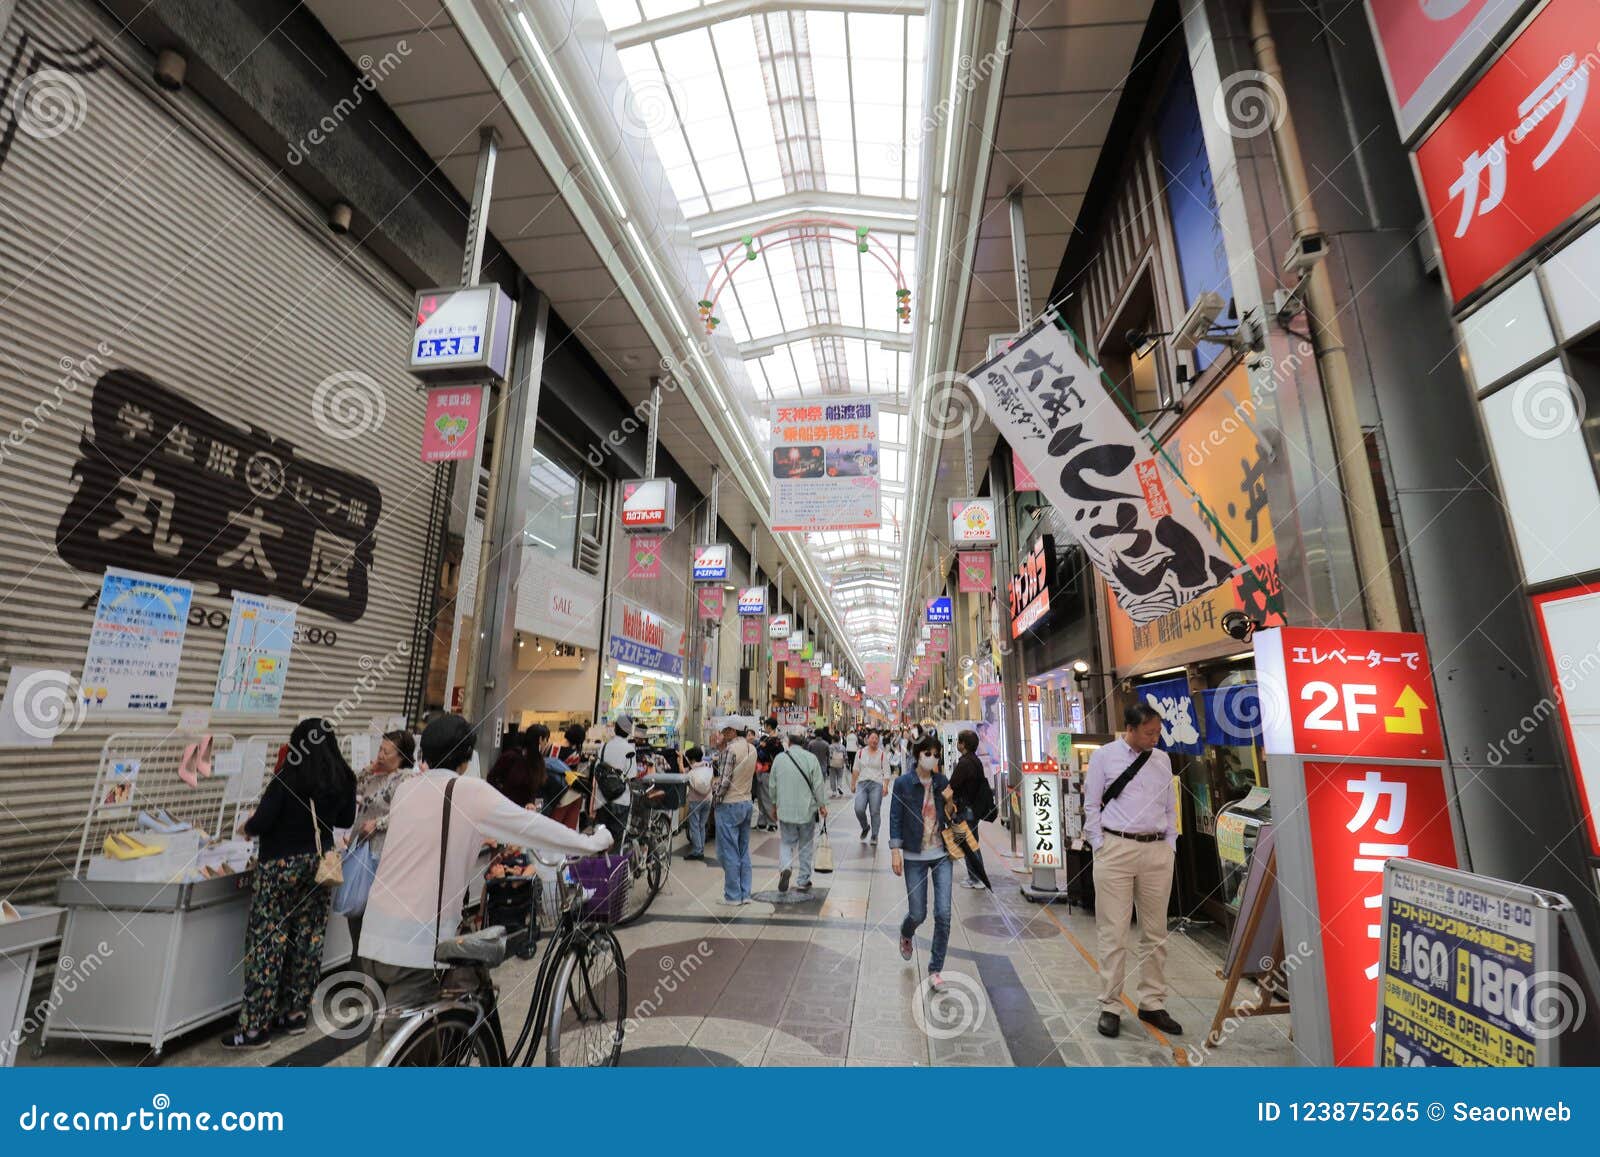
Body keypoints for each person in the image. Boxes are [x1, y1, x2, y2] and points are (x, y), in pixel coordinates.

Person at [359, 714, 611, 1005]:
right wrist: (591, 843)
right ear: (466, 759)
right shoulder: (469, 791)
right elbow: (533, 827)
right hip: (415, 943)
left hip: (373, 934)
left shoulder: (407, 788)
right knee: (405, 1042)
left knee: (402, 1025)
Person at [223, 718, 357, 1049]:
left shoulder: (289, 776)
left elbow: (264, 820)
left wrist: (247, 827)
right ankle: (295, 1014)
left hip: (280, 867)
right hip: (319, 867)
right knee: (308, 940)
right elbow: (345, 820)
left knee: (268, 943)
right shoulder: (343, 777)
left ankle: (255, 1028)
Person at [1084, 703, 1182, 1039]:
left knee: (1156, 932)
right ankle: (1110, 1004)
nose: (1156, 737)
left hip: (1156, 851)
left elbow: (1170, 805)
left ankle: (1152, 1002)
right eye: (1149, 732)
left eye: (1158, 731)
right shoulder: (1104, 757)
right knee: (1114, 932)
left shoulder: (1162, 759)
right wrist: (1100, 843)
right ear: (1131, 728)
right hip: (1115, 849)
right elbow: (1091, 804)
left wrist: (1170, 843)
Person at [889, 734, 954, 991]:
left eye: (936, 754)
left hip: (941, 854)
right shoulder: (904, 783)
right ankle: (907, 932)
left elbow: (952, 814)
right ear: (917, 755)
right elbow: (895, 816)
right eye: (928, 753)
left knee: (944, 914)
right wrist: (895, 851)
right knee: (918, 913)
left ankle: (936, 969)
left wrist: (950, 800)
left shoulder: (941, 781)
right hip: (914, 855)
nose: (932, 758)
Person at [345, 729, 417, 959]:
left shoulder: (406, 779)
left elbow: (407, 812)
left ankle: (368, 976)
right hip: (359, 851)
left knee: (372, 919)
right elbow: (346, 789)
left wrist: (379, 823)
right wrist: (368, 769)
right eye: (380, 750)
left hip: (381, 856)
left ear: (402, 756)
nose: (381, 755)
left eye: (387, 752)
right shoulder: (374, 777)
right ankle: (357, 969)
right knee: (355, 914)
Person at [771, 728, 826, 893]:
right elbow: (818, 785)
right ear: (804, 743)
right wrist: (822, 805)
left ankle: (786, 867)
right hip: (807, 810)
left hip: (785, 809)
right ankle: (803, 879)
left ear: (788, 742)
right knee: (806, 845)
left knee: (786, 842)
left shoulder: (780, 759)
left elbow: (772, 785)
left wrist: (774, 805)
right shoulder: (811, 759)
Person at [713, 724, 758, 905]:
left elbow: (724, 781)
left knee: (728, 851)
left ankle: (732, 895)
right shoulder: (752, 748)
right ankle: (745, 893)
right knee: (742, 850)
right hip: (746, 801)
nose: (723, 734)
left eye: (725, 731)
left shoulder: (730, 751)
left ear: (732, 731)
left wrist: (715, 799)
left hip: (729, 804)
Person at [948, 729, 993, 890]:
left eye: (959, 741)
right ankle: (975, 876)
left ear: (963, 744)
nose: (957, 744)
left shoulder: (965, 763)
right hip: (974, 807)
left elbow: (953, 784)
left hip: (966, 808)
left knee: (970, 843)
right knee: (971, 841)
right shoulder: (975, 760)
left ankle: (977, 878)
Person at [595, 714, 639, 846]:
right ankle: (615, 865)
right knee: (617, 839)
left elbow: (597, 770)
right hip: (621, 800)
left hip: (602, 800)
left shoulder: (603, 747)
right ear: (628, 731)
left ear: (615, 728)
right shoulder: (629, 749)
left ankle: (601, 864)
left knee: (601, 840)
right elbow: (632, 776)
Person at [851, 728, 891, 845]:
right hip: (862, 784)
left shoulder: (882, 755)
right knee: (858, 808)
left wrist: (885, 786)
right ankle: (865, 827)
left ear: (878, 741)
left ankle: (874, 835)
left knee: (875, 811)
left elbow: (887, 772)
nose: (874, 740)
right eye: (872, 738)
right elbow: (855, 769)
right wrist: (853, 784)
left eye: (876, 738)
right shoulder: (860, 753)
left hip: (876, 785)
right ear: (867, 739)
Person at [753, 717, 781, 831]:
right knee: (761, 797)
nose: (765, 728)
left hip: (766, 771)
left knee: (766, 797)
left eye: (765, 726)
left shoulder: (771, 741)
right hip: (767, 771)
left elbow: (762, 756)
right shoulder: (776, 740)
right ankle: (762, 821)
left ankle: (772, 822)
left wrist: (760, 749)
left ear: (769, 726)